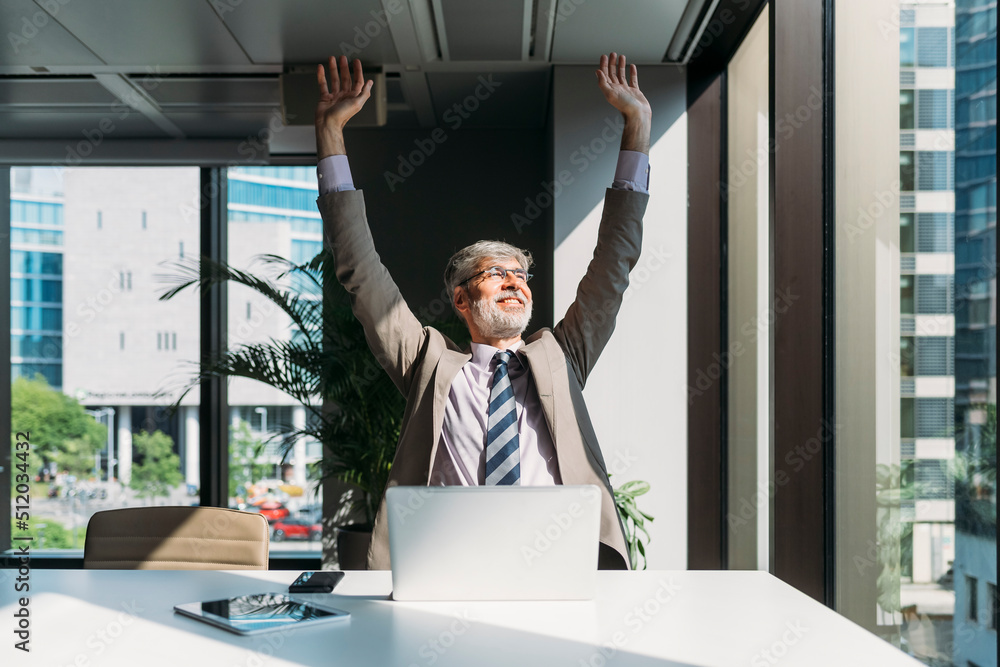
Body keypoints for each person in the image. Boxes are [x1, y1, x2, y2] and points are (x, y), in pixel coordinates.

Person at [315, 52, 651, 570]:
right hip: (448, 559)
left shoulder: (563, 355)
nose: (514, 282)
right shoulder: (426, 361)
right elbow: (362, 275)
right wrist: (331, 135)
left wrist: (637, 127)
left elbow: (614, 264)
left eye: (521, 275)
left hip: (557, 558)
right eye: (497, 273)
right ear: (461, 299)